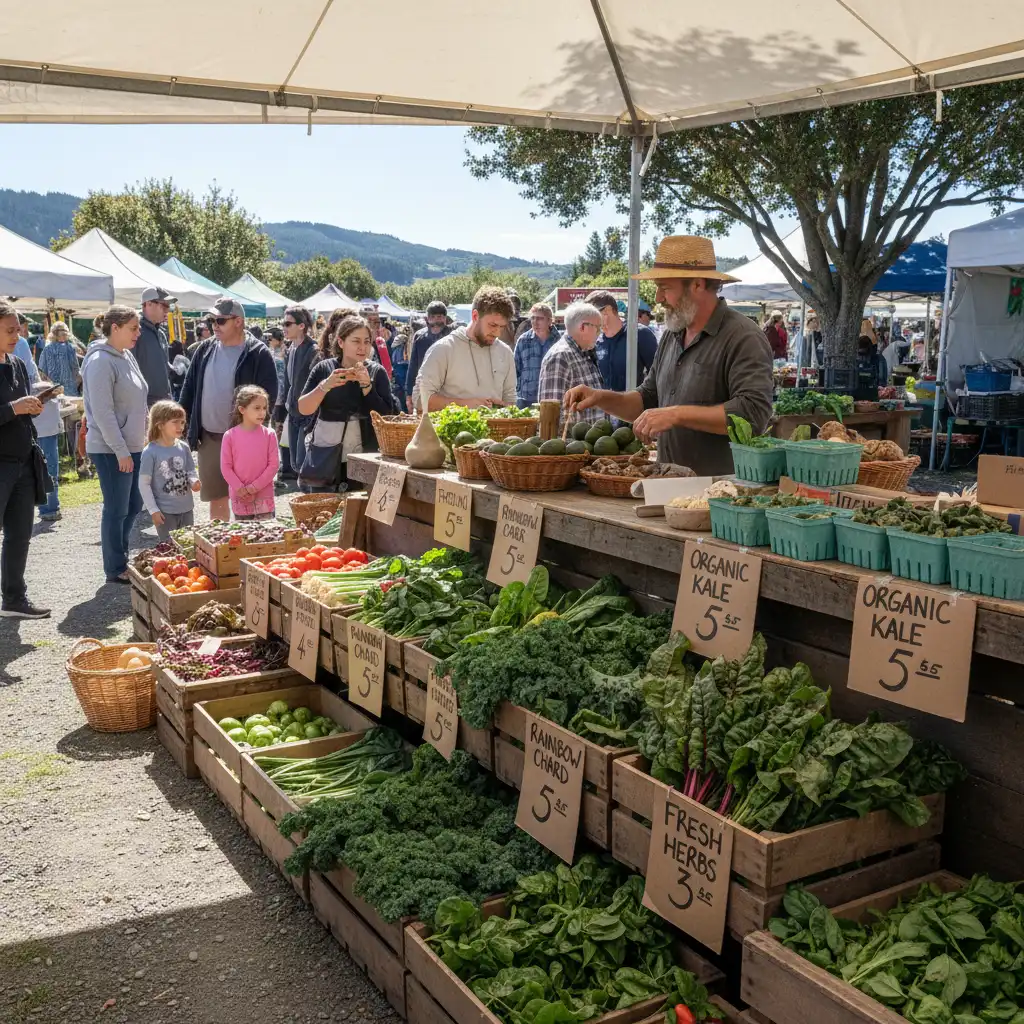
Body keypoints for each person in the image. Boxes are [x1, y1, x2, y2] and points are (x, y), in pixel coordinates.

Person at [565, 235, 773, 476]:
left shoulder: (743, 336)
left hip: (721, 495)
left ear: (697, 284)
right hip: (667, 487)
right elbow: (648, 399)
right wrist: (599, 397)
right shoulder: (672, 335)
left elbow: (753, 414)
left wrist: (676, 414)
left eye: (664, 288)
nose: (658, 299)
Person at [178, 297, 278, 523]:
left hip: (247, 439)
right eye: (213, 320)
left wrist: (258, 433)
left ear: (239, 322)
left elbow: (269, 395)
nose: (215, 325)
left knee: (252, 499)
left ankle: (253, 548)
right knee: (217, 498)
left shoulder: (258, 353)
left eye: (221, 320)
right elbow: (189, 389)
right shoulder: (204, 348)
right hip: (211, 438)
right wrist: (181, 425)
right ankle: (222, 552)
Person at [82, 305, 149, 583]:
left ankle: (120, 555)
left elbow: (139, 395)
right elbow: (102, 412)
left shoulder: (126, 356)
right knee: (117, 507)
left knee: (134, 503)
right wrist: (121, 450)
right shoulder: (100, 361)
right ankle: (115, 566)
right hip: (110, 449)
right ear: (116, 328)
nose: (138, 333)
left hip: (132, 445)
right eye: (133, 328)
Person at [296, 312, 393, 492]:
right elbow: (303, 408)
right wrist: (325, 386)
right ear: (341, 342)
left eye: (366, 341)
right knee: (325, 513)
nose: (362, 347)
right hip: (326, 457)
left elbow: (386, 417)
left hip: (366, 458)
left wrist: (367, 386)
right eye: (356, 341)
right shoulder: (325, 369)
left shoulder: (376, 372)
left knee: (359, 515)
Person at [0, 301, 48, 617]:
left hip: (22, 462)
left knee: (19, 536)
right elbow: (11, 409)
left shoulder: (17, 363)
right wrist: (14, 409)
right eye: (9, 330)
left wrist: (32, 407)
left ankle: (14, 600)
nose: (16, 335)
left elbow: (19, 410)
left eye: (17, 329)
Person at [415, 286, 517, 411]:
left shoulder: (505, 352)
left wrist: (501, 407)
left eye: (502, 327)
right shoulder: (444, 349)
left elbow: (511, 402)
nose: (497, 333)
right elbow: (420, 400)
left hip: (496, 430)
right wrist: (464, 405)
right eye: (493, 325)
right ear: (475, 316)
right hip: (451, 430)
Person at [139, 400, 201, 541]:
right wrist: (153, 510)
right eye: (175, 422)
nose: (180, 426)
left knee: (188, 545)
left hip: (186, 508)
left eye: (182, 422)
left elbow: (191, 471)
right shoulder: (150, 452)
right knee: (169, 549)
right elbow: (144, 484)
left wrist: (194, 481)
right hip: (165, 512)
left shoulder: (184, 447)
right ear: (160, 425)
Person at [537, 302, 605, 430]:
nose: (599, 333)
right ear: (583, 327)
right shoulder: (560, 357)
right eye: (598, 327)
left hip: (589, 446)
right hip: (572, 447)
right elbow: (551, 416)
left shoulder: (584, 353)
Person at [221, 385, 279, 519]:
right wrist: (240, 488)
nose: (262, 412)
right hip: (240, 497)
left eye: (264, 408)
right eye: (257, 408)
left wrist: (253, 487)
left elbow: (273, 465)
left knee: (267, 536)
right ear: (242, 409)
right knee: (243, 536)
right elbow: (226, 467)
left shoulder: (269, 434)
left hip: (263, 496)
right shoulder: (229, 436)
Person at [587, 290, 658, 392]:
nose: (589, 321)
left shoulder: (639, 334)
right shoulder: (596, 341)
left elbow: (658, 374)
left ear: (607, 311)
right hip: (604, 406)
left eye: (591, 315)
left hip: (635, 405)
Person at [280, 304, 318, 481]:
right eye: (283, 324)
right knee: (295, 464)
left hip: (308, 415)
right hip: (293, 412)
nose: (283, 328)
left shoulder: (314, 351)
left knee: (304, 465)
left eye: (287, 324)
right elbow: (288, 383)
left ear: (301, 325)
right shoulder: (290, 349)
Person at [405, 301, 453, 406]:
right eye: (433, 317)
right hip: (425, 386)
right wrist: (409, 394)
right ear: (427, 318)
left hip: (448, 388)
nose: (436, 320)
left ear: (445, 318)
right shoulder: (420, 337)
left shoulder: (452, 336)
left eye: (439, 316)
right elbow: (413, 366)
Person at [514, 302, 559, 407]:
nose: (535, 322)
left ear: (550, 320)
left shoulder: (559, 341)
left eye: (539, 318)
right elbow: (515, 369)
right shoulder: (523, 340)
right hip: (525, 399)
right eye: (533, 318)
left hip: (552, 398)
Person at [135, 286, 175, 405]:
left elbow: (161, 365)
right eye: (164, 305)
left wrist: (175, 371)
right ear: (148, 304)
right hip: (144, 404)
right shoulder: (135, 332)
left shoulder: (161, 333)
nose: (167, 311)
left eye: (169, 306)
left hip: (163, 402)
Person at [33, 378, 62, 523]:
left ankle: (50, 507)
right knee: (48, 471)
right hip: (44, 434)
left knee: (49, 471)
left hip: (48, 434)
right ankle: (48, 508)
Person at [38, 320, 80, 396]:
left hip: (53, 390)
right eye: (63, 334)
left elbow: (42, 372)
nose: (65, 335)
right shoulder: (70, 348)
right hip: (70, 391)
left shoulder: (47, 349)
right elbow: (75, 370)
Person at [389, 324, 413, 412]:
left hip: (399, 367)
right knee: (404, 391)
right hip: (401, 367)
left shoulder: (398, 344)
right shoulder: (403, 343)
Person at [15, 314, 38, 385]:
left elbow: (30, 365)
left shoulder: (23, 342)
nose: (27, 330)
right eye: (25, 326)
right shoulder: (21, 342)